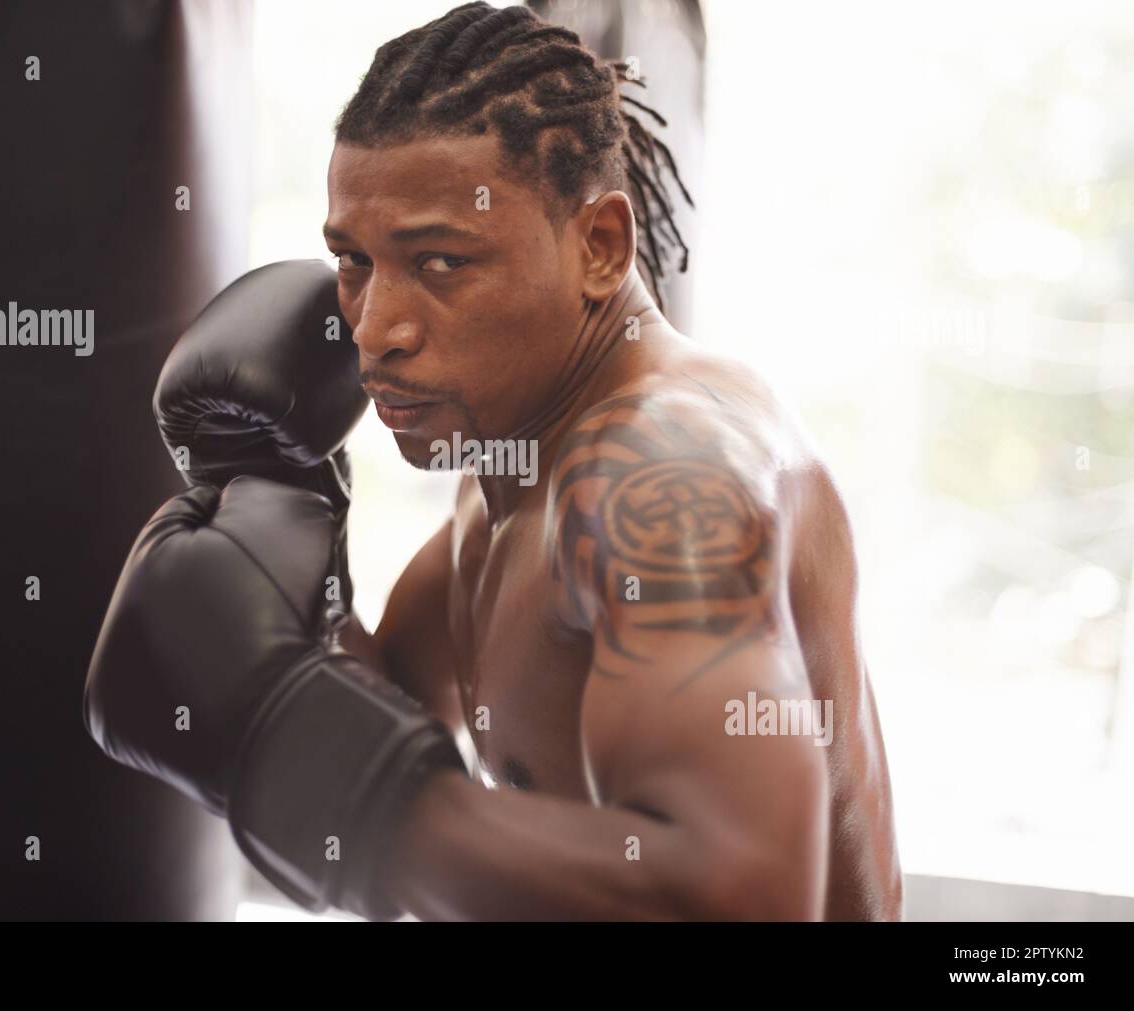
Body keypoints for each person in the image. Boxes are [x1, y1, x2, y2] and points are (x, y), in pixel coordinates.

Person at [85, 1, 902, 921]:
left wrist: (314, 765)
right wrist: (273, 512)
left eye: (439, 262)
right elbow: (391, 726)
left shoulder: (662, 472)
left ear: (599, 246)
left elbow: (746, 895)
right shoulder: (509, 462)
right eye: (352, 261)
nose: (374, 331)